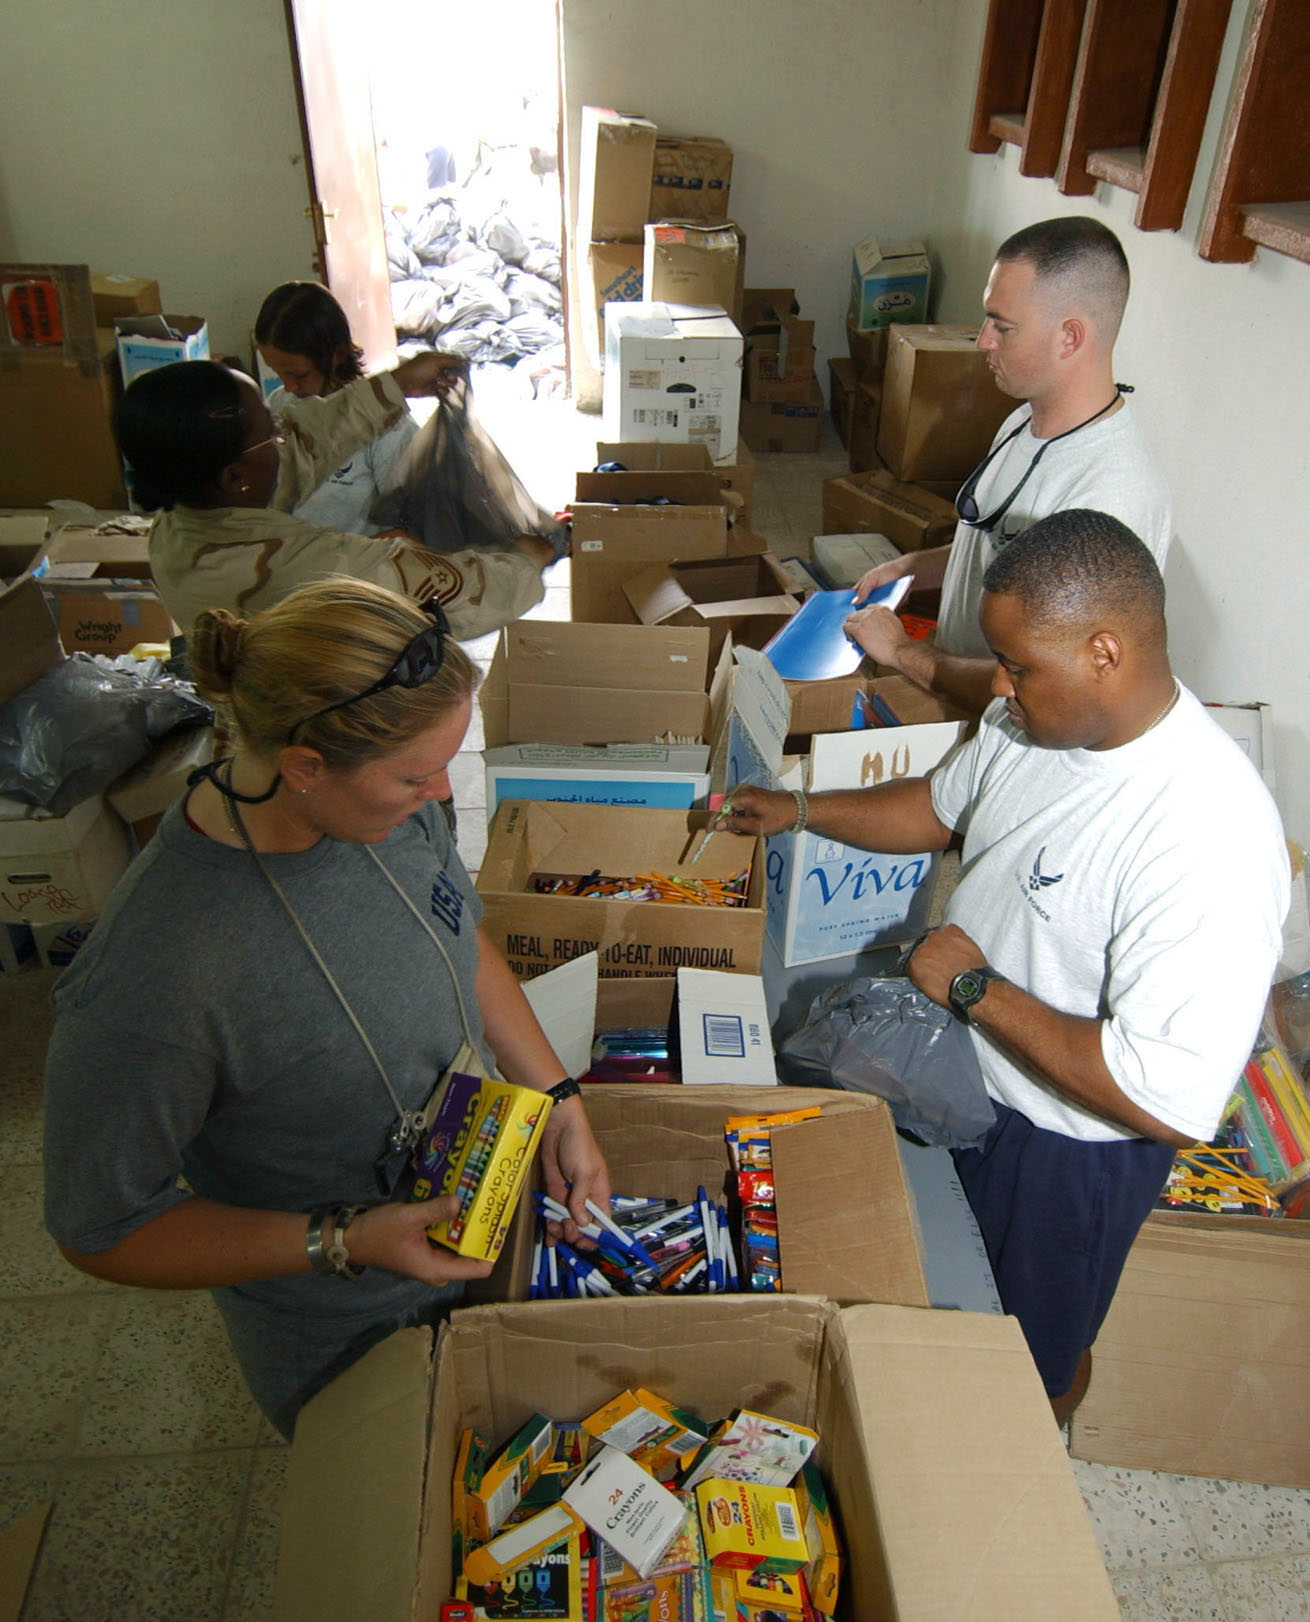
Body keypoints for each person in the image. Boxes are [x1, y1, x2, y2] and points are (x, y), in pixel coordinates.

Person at [725, 510, 1288, 1422]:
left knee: (1035, 1355)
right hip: (961, 1071)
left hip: (1066, 1148)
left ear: (1104, 654)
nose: (997, 685)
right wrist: (802, 811)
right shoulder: (1033, 725)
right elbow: (938, 807)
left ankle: (1024, 1452)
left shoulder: (1207, 836)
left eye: (1017, 666)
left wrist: (974, 989)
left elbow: (1164, 1101)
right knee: (937, 1275)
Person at [43, 579, 610, 1437]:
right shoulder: (157, 982)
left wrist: (557, 1096)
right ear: (305, 767)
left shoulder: (385, 815)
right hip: (346, 1334)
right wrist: (343, 1240)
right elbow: (102, 1228)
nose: (440, 794)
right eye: (416, 775)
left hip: (478, 1228)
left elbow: (461, 933)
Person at [846, 217, 1172, 716]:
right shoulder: (1022, 421)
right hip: (959, 694)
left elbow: (1051, 693)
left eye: (1003, 326)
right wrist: (913, 569)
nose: (983, 341)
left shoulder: (1110, 497)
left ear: (1069, 337)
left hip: (1010, 724)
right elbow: (997, 545)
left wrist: (901, 652)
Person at [118, 353, 563, 636]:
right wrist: (525, 559)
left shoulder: (180, 518)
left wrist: (395, 386)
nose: (284, 436)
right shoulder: (301, 565)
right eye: (272, 432)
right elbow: (463, 597)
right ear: (235, 477)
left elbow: (304, 445)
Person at [255, 280, 420, 537]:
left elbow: (410, 529)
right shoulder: (281, 403)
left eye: (299, 374)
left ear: (338, 355)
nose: (288, 386)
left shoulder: (390, 428)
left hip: (356, 560)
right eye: (278, 372)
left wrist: (345, 555)